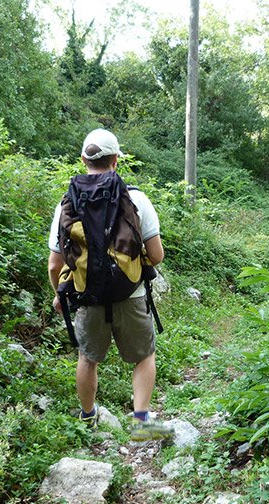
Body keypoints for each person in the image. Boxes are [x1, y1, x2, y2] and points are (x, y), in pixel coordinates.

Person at [47, 129, 173, 442]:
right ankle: (140, 423)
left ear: (83, 160)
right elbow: (156, 255)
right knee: (144, 356)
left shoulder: (67, 203)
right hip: (131, 294)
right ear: (116, 160)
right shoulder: (137, 199)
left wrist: (59, 295)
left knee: (87, 359)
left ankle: (88, 420)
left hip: (87, 295)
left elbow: (54, 264)